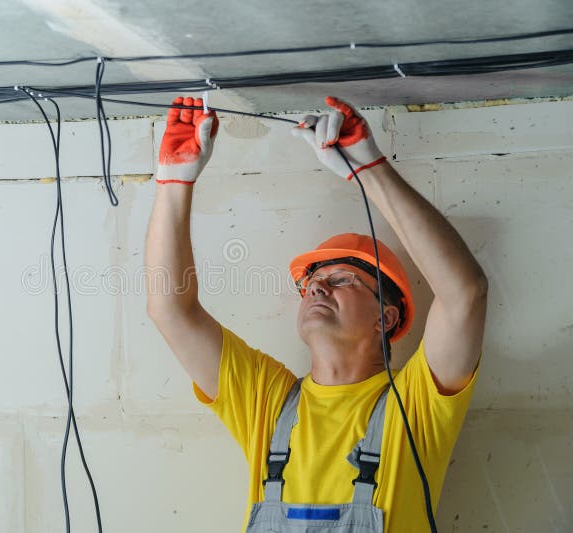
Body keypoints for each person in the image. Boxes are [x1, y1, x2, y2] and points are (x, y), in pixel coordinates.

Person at [145, 95, 488, 532]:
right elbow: (169, 309)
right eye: (310, 284)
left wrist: (371, 170)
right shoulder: (267, 402)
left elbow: (466, 294)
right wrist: (173, 184)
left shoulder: (415, 406)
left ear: (385, 318)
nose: (317, 287)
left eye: (342, 279)